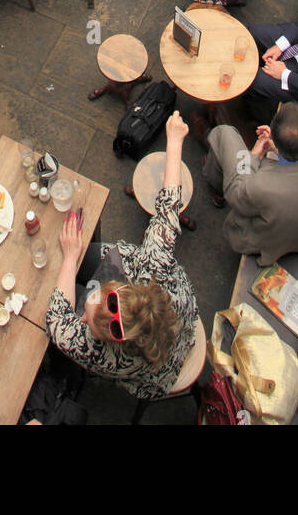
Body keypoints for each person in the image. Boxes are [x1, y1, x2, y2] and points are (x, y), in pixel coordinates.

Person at [45, 111, 198, 401]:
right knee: (85, 264)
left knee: (72, 285)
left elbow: (56, 322)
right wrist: (175, 140)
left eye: (88, 322)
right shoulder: (156, 266)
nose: (85, 321)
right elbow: (168, 206)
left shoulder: (101, 354)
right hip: (182, 319)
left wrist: (69, 258)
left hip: (157, 373)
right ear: (124, 288)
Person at [203, 102, 298, 262]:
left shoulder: (260, 186)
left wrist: (253, 156)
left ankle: (216, 185)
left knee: (225, 133)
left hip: (263, 244)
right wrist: (278, 149)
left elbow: (235, 192)